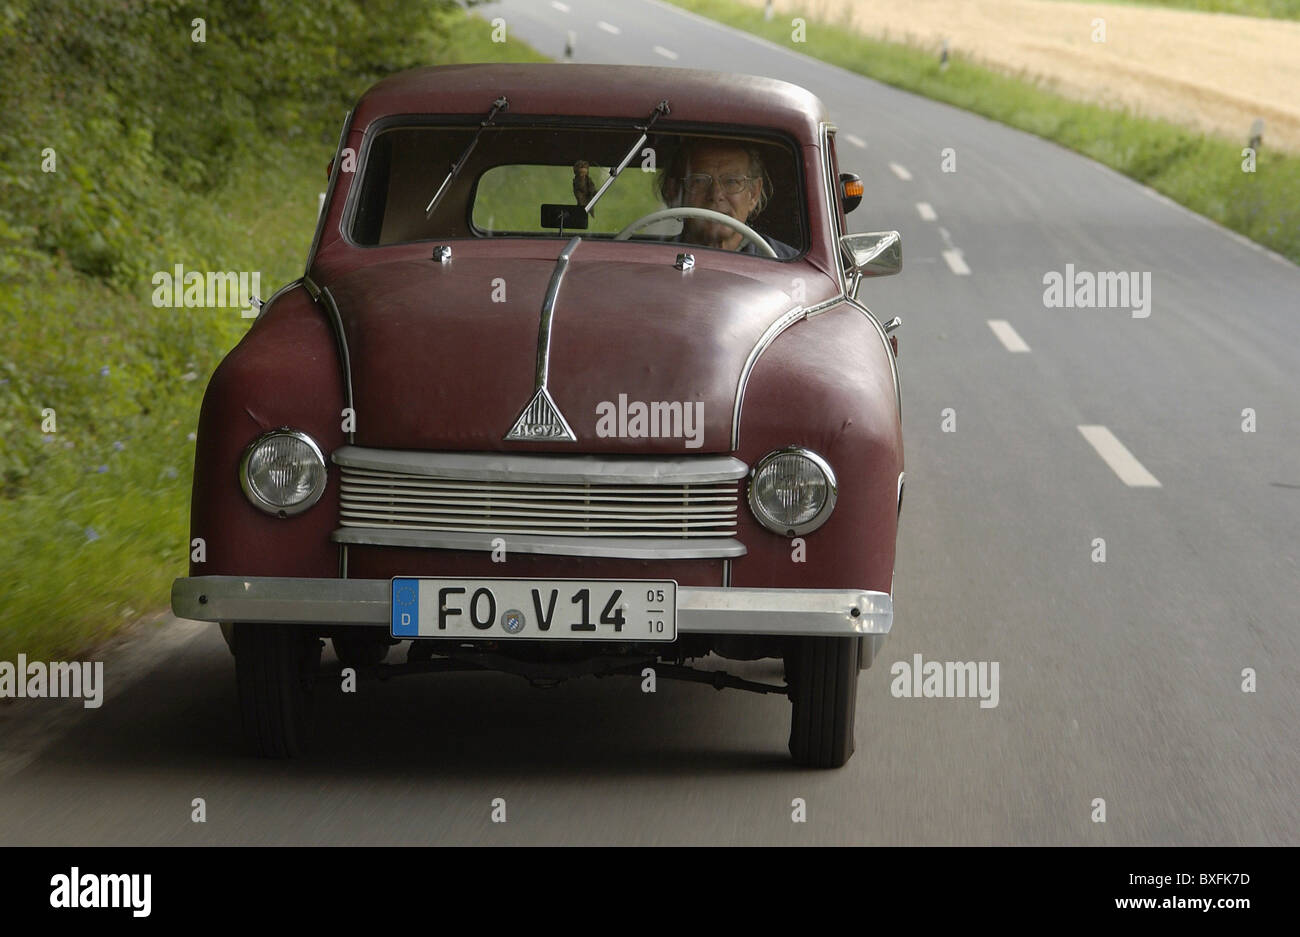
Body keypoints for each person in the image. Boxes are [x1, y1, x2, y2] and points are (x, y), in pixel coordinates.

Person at [656, 140, 799, 259]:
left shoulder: (788, 264)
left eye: (731, 181)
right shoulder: (649, 261)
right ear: (675, 192)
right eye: (699, 181)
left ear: (754, 193)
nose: (716, 194)